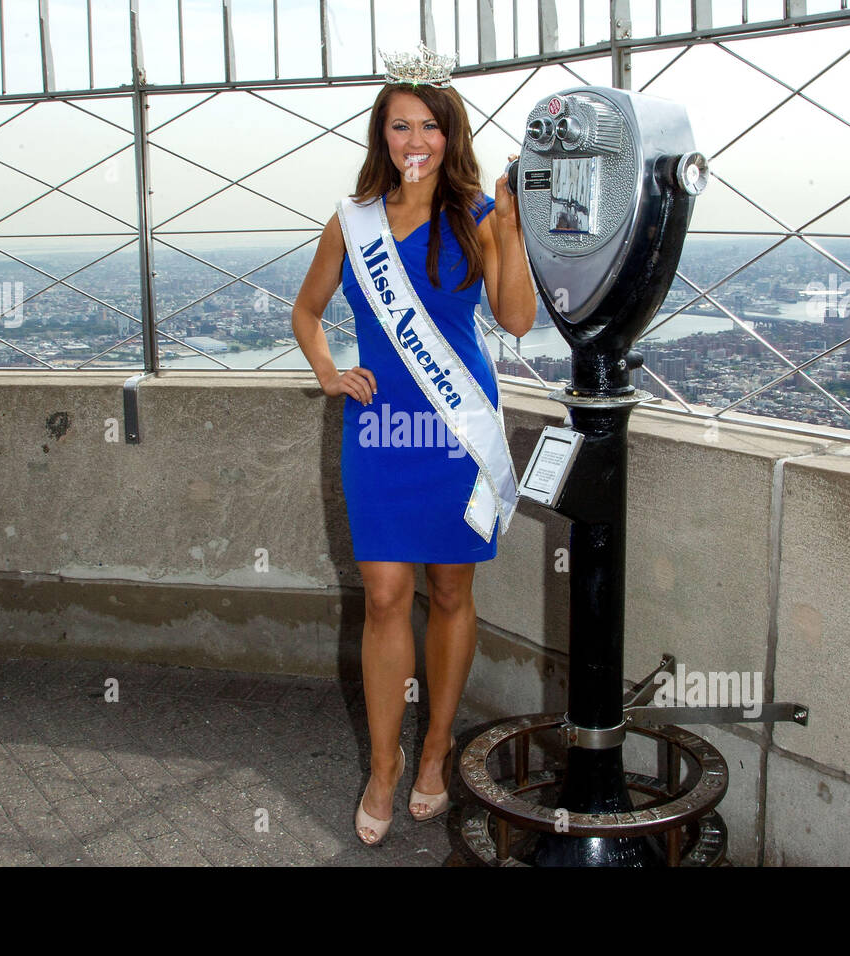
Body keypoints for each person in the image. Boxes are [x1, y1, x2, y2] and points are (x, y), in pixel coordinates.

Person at [291, 57, 536, 847]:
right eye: (401, 124)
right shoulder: (352, 220)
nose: (416, 138)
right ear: (382, 134)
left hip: (455, 429)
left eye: (431, 124)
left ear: (450, 132)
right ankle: (385, 764)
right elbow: (306, 309)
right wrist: (330, 371)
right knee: (386, 594)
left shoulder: (478, 214)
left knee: (452, 591)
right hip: (381, 428)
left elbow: (518, 319)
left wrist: (517, 225)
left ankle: (435, 753)